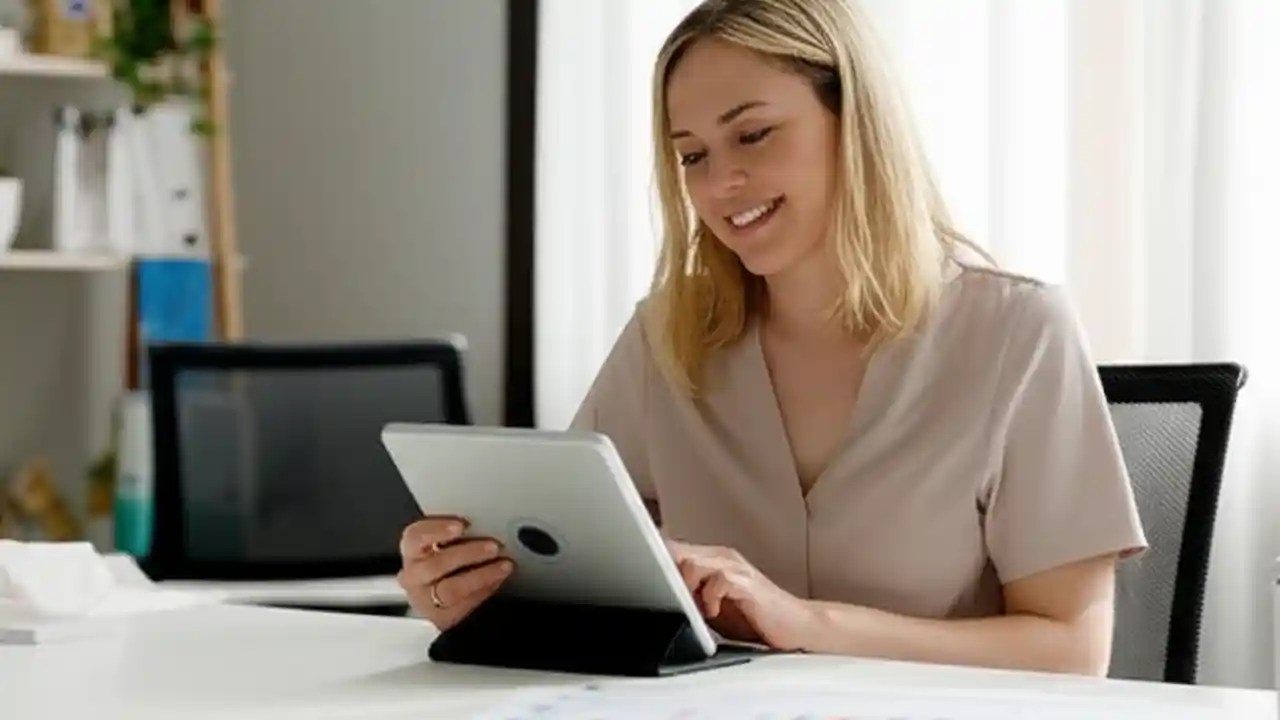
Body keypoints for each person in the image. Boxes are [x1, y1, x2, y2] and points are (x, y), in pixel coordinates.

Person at [396, 0, 1146, 676]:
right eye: (693, 156)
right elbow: (576, 574)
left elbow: (1071, 651)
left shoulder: (1018, 333)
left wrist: (809, 625)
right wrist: (473, 589)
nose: (721, 183)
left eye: (752, 135)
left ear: (856, 121)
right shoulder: (665, 338)